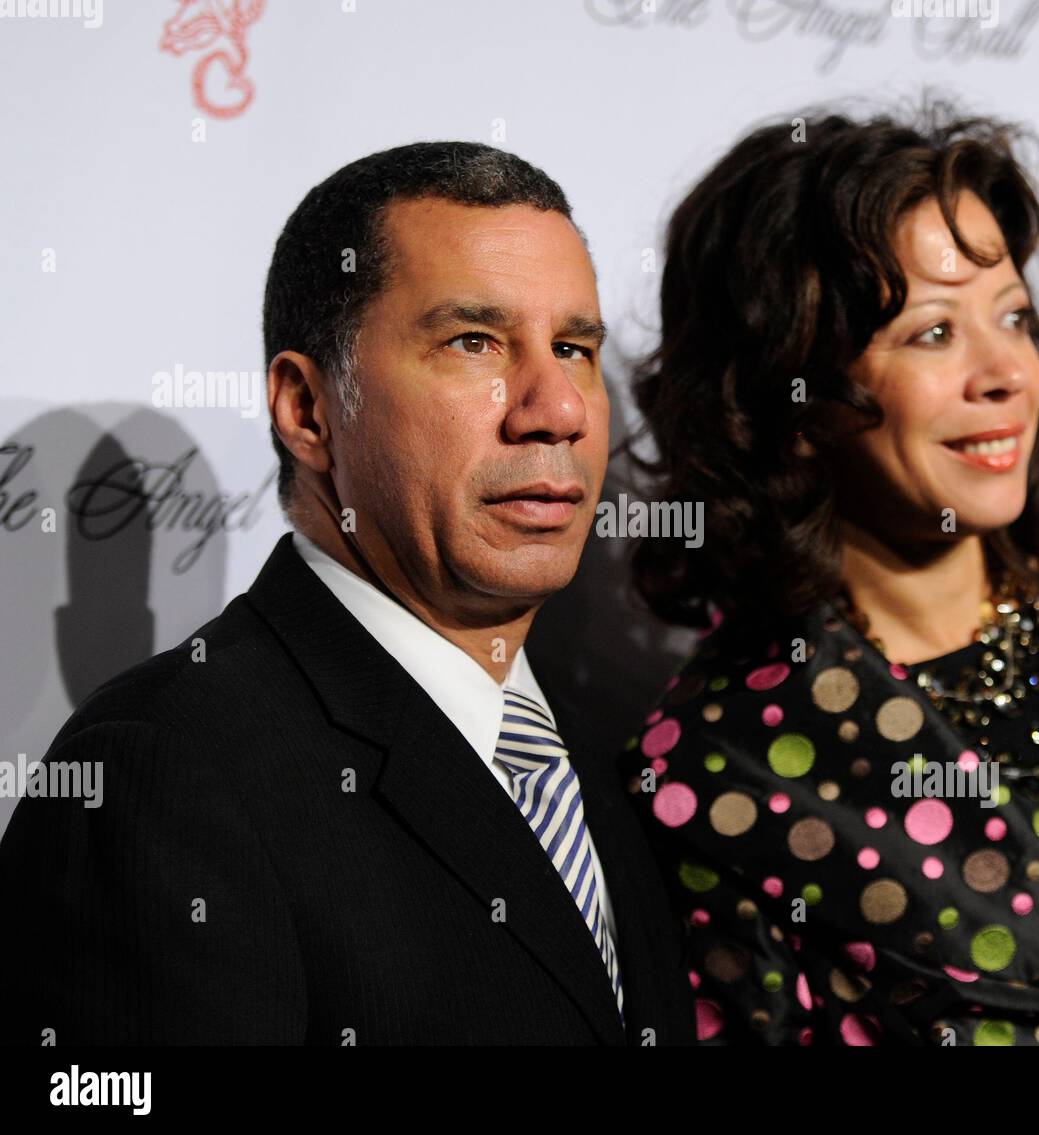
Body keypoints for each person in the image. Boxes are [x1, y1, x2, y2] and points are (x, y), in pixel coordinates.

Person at [618, 101, 1039, 1045]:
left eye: (1013, 317)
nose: (1009, 373)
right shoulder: (714, 769)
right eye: (934, 333)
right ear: (793, 393)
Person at [0, 142, 693, 1046]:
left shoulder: (591, 759)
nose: (554, 407)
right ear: (308, 409)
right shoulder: (160, 774)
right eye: (472, 341)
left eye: (572, 347)